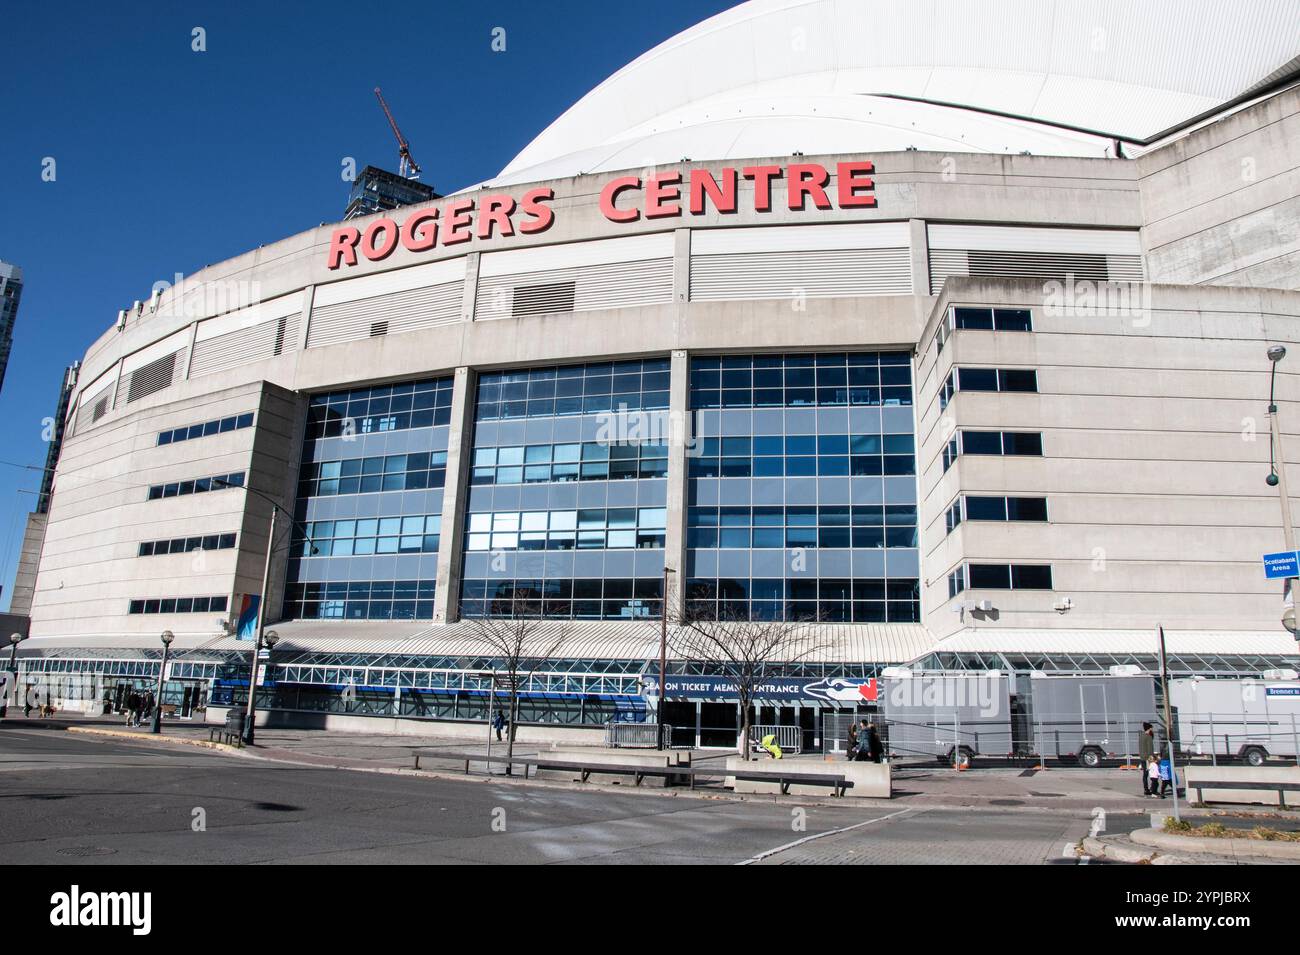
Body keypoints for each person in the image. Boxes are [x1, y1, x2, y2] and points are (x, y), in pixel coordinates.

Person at [1138, 722, 1156, 795]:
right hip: (1148, 759)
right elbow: (1150, 749)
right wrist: (1153, 759)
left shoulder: (1141, 736)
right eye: (1151, 728)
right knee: (1153, 774)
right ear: (1149, 728)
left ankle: (1146, 789)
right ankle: (1152, 789)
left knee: (1145, 775)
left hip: (1142, 757)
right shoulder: (1148, 737)